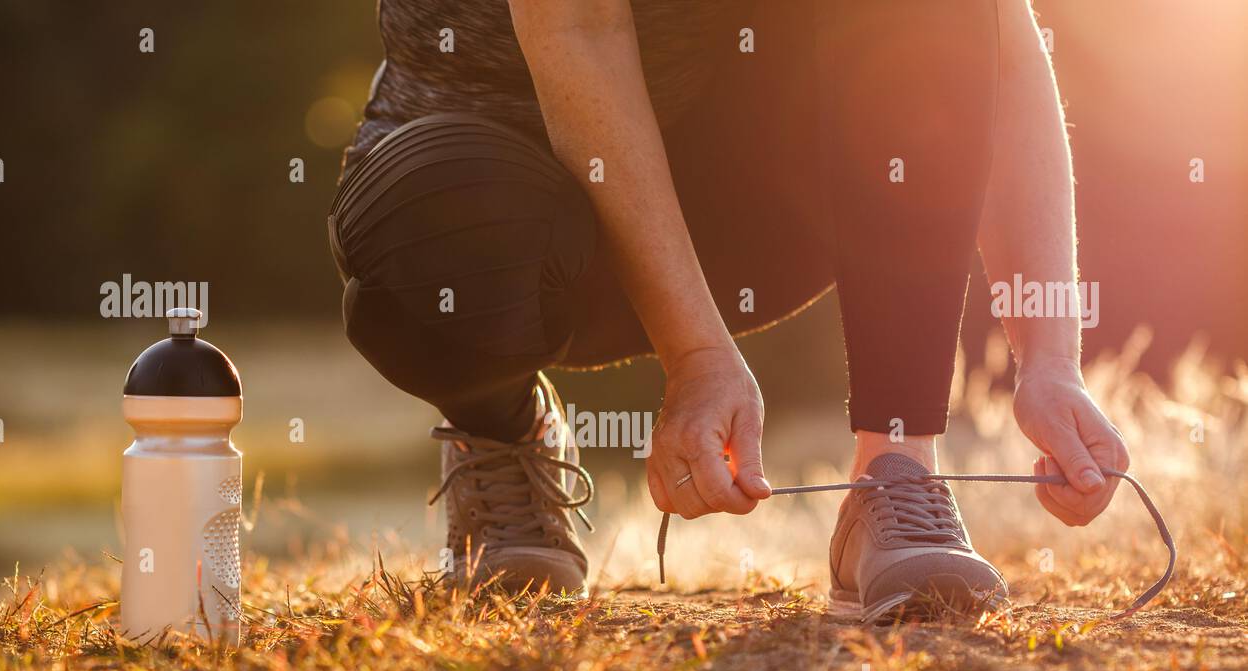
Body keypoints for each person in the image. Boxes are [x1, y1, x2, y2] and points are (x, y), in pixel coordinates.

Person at [327, 0, 1129, 612]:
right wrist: (697, 356)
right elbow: (582, 27)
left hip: (743, 206)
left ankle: (896, 471)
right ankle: (500, 433)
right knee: (429, 226)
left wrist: (1051, 359)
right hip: (482, 205)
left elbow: (998, 42)